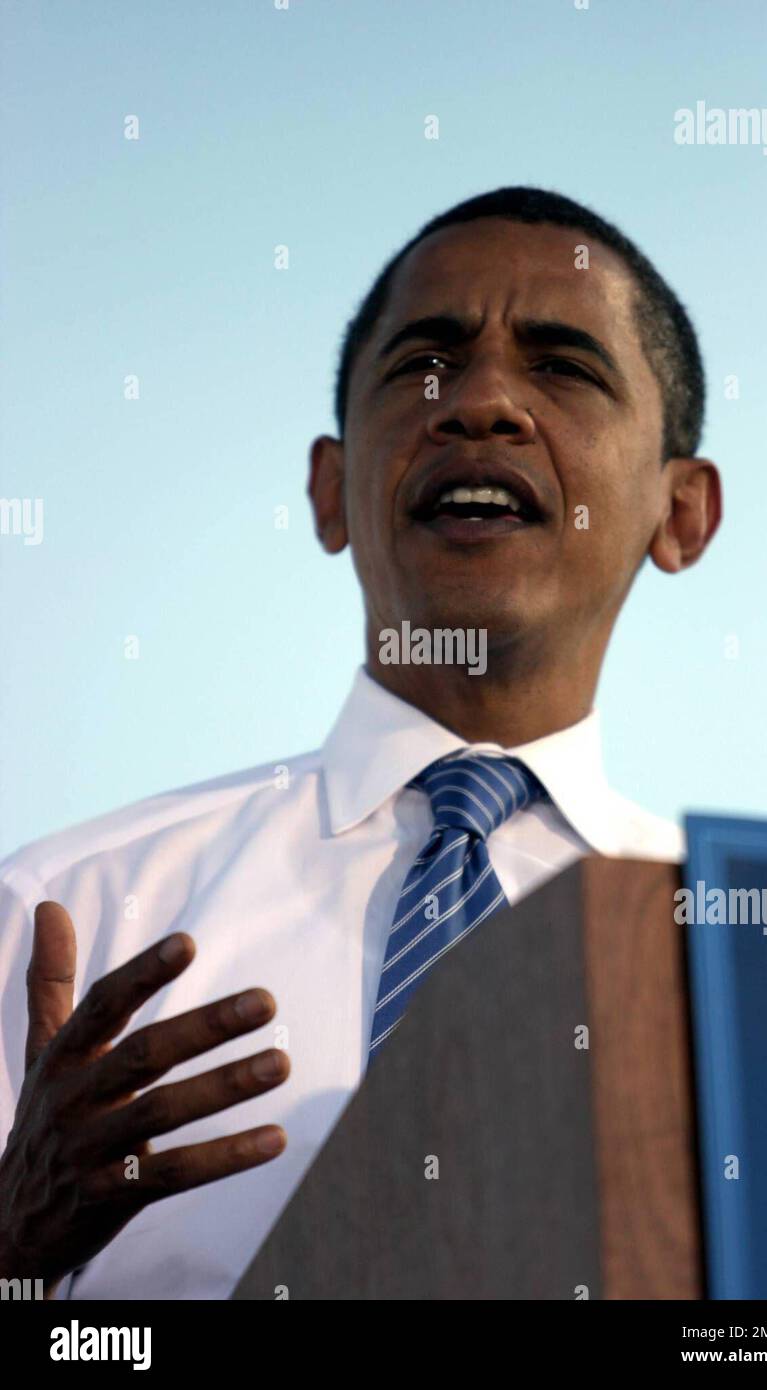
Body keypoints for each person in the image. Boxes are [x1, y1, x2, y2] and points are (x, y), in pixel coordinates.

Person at [0, 185, 722, 1300]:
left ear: (681, 512)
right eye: (422, 363)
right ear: (331, 491)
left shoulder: (745, 966)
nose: (478, 402)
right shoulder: (69, 917)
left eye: (561, 366)